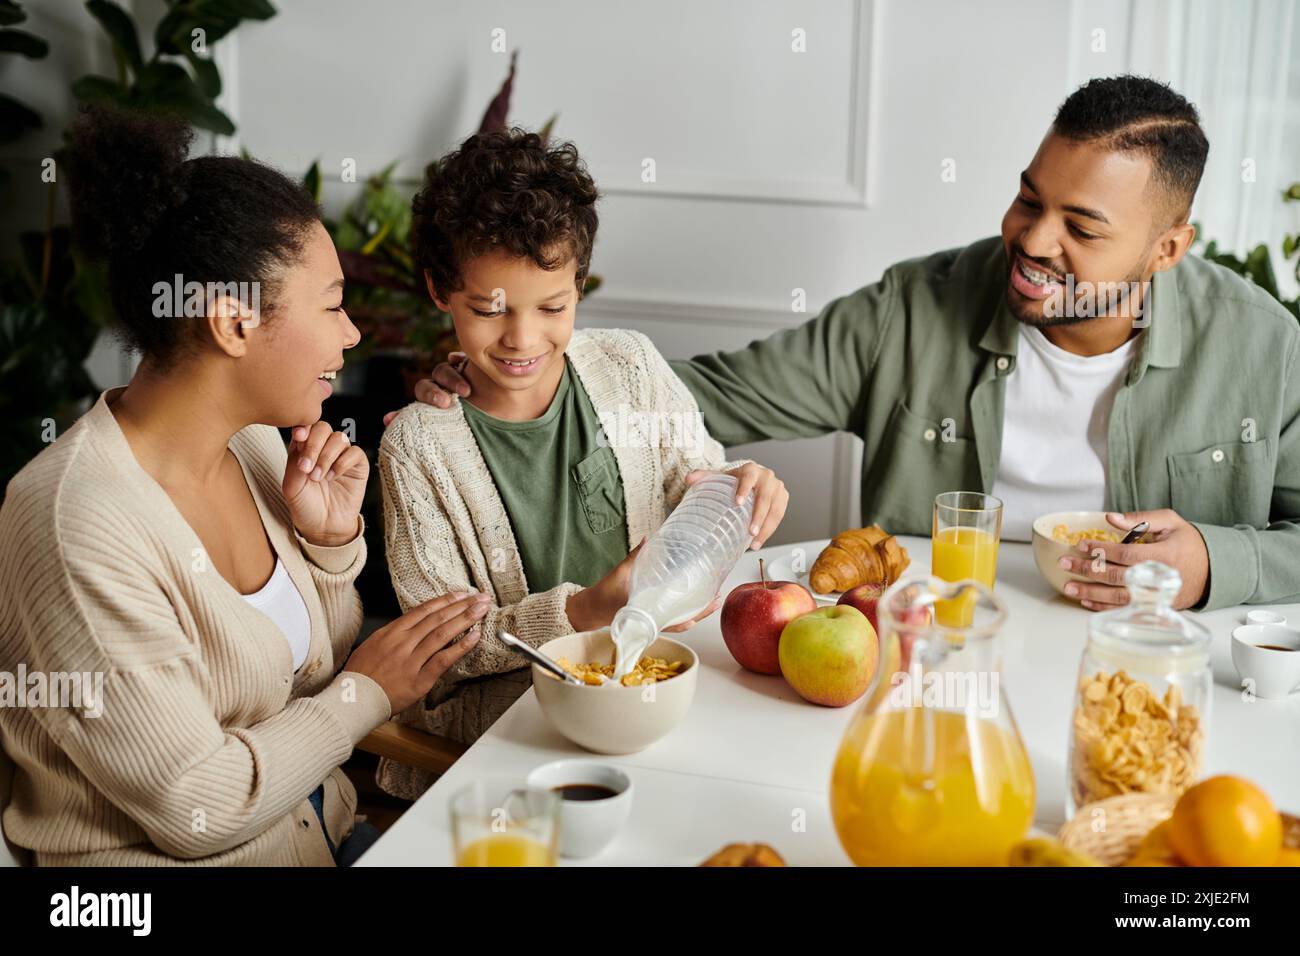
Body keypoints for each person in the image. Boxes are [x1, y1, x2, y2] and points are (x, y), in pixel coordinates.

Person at [416, 76, 1300, 613]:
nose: (1032, 240)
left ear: (1167, 250)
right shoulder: (916, 306)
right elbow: (696, 394)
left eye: (1082, 227)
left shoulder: (1264, 346)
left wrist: (1216, 562)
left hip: (1152, 663)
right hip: (935, 650)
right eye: (1030, 199)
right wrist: (512, 375)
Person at [0, 106, 485, 866]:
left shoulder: (258, 447)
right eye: (331, 304)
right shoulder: (75, 524)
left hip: (329, 842)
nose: (352, 334)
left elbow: (307, 677)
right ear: (232, 324)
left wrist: (328, 548)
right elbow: (199, 803)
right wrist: (369, 692)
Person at [375, 129, 789, 799]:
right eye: (488, 309)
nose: (522, 338)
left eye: (553, 306)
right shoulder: (419, 448)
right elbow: (444, 652)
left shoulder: (629, 364)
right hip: (511, 744)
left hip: (652, 700)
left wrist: (744, 482)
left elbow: (700, 477)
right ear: (440, 290)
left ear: (580, 285)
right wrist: (586, 609)